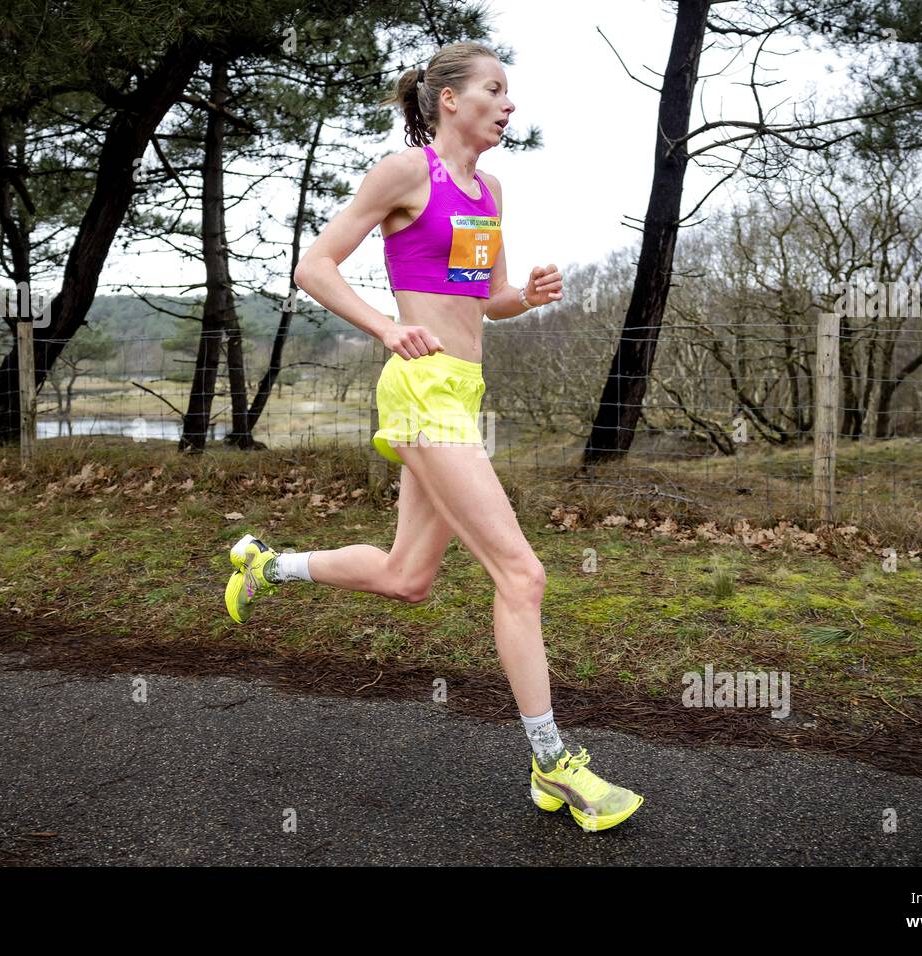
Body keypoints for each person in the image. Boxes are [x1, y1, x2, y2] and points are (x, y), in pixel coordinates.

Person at [224, 41, 643, 832]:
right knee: (522, 576)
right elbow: (314, 266)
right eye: (495, 89)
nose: (508, 104)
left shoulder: (490, 191)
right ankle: (554, 765)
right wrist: (387, 327)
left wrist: (530, 296)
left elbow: (485, 298)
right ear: (450, 99)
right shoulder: (404, 172)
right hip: (420, 393)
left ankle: (265, 564)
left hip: (462, 389)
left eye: (509, 93)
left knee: (406, 576)